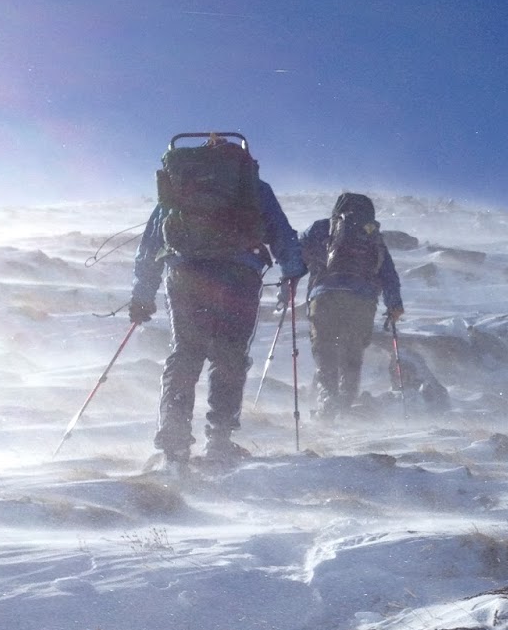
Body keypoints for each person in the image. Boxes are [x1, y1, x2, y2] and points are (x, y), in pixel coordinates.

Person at [129, 135, 306, 470]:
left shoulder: (179, 186)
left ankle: (174, 441)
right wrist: (292, 274)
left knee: (185, 352)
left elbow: (151, 244)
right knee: (229, 354)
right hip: (239, 275)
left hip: (185, 274)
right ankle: (220, 440)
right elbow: (282, 234)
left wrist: (142, 295)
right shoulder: (253, 186)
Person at [300, 192, 403, 417]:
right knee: (353, 352)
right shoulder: (372, 236)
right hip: (362, 300)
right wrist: (394, 304)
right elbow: (388, 274)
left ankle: (327, 400)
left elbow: (297, 252)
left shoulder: (323, 227)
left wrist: (293, 275)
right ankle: (345, 405)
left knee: (325, 349)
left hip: (324, 296)